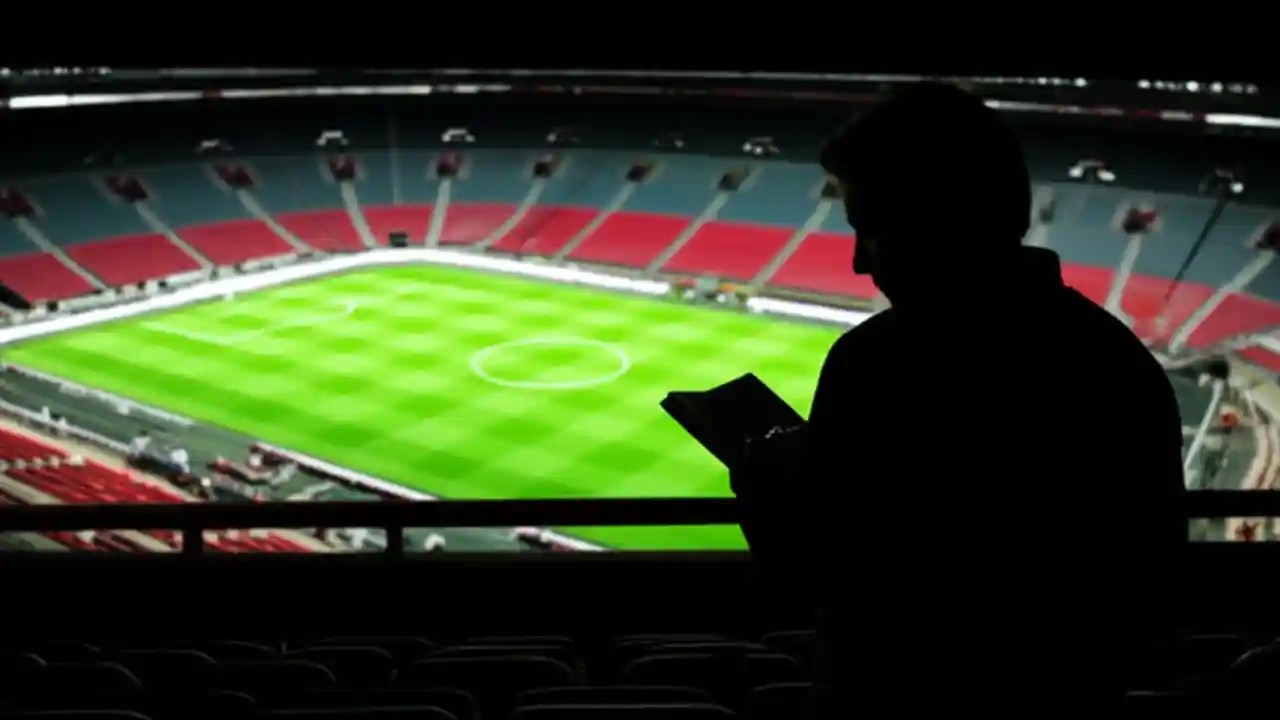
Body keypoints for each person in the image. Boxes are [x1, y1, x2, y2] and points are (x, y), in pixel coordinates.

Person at [732, 84, 1186, 709]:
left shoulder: (878, 361)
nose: (861, 262)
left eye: (870, 230)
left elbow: (812, 585)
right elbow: (1150, 590)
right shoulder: (1117, 361)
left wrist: (765, 484)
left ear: (935, 222)